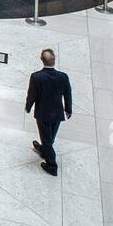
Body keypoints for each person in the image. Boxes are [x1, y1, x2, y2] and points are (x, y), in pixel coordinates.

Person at [25, 48, 73, 176]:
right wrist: (68, 109)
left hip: (43, 113)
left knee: (47, 140)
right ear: (54, 60)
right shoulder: (63, 76)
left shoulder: (36, 77)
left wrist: (28, 106)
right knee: (50, 136)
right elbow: (68, 94)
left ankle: (52, 166)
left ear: (41, 60)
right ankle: (45, 149)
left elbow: (32, 95)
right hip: (57, 113)